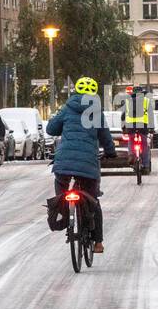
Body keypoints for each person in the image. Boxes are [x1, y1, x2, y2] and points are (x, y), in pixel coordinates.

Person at [47, 77, 116, 253]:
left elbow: (51, 130)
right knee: (93, 201)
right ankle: (98, 243)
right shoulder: (95, 112)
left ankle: (62, 207)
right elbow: (105, 137)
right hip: (88, 164)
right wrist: (110, 152)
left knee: (61, 184)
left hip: (64, 161)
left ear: (76, 92)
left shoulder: (67, 108)